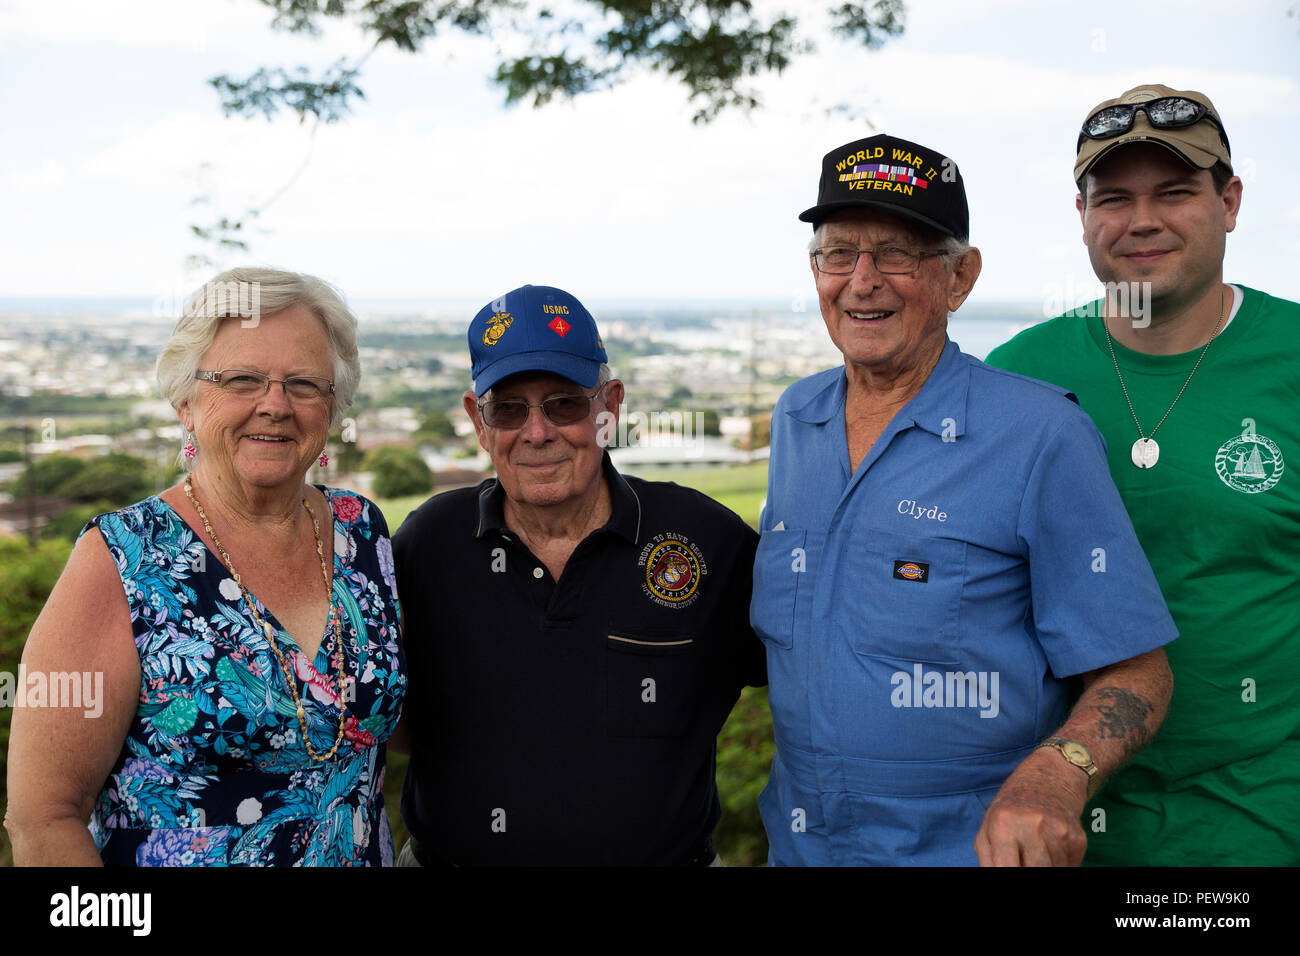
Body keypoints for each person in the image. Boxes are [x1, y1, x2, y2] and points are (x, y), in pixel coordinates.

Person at [751, 133, 1179, 867]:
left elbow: (1137, 672)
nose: (862, 280)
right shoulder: (797, 418)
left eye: (896, 253)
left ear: (959, 278)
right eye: (838, 252)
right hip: (801, 848)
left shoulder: (1040, 435)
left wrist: (1057, 776)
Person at [986, 85, 1300, 865]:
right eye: (1113, 197)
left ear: (1229, 201)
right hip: (1043, 822)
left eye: (1175, 193)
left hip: (1258, 818)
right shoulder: (1018, 374)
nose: (1142, 220)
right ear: (1084, 215)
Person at [3, 268, 406, 866]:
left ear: (333, 406)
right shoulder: (120, 560)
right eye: (241, 379)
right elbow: (43, 820)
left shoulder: (361, 530)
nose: (275, 404)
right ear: (185, 402)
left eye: (303, 383)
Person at [392, 283, 764, 866]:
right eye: (509, 409)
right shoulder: (427, 543)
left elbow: (810, 681)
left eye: (564, 403)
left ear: (608, 405)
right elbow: (383, 712)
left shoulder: (705, 539)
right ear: (477, 419)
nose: (537, 432)